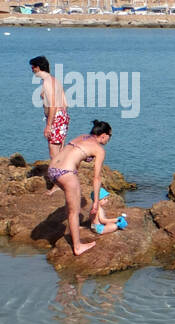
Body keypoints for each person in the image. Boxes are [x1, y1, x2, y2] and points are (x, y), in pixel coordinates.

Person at [46, 121, 113, 256]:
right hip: (66, 173)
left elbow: (72, 156)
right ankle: (77, 247)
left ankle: (74, 228)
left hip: (52, 170)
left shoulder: (82, 137)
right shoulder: (99, 149)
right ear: (104, 135)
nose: (110, 138)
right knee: (74, 212)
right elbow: (97, 178)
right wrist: (95, 202)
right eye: (110, 135)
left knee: (70, 205)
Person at [31, 56, 69, 162]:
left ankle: (59, 177)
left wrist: (49, 125)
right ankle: (63, 174)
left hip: (55, 117)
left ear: (38, 68)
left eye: (32, 67)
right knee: (60, 151)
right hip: (62, 116)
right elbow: (65, 103)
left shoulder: (47, 82)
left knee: (54, 154)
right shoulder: (55, 80)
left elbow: (53, 104)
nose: (32, 70)